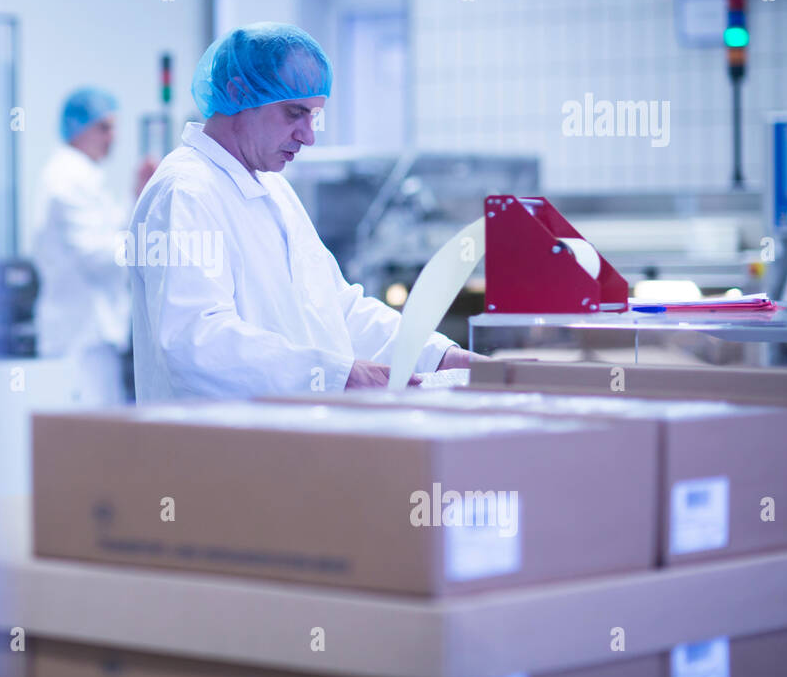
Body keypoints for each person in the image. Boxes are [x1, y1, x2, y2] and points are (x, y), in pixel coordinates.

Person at [128, 23, 475, 402]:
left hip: (288, 444)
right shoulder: (186, 193)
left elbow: (337, 309)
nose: (308, 135)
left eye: (313, 116)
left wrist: (438, 357)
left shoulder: (273, 187)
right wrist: (339, 376)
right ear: (238, 93)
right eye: (294, 113)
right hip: (214, 451)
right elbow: (195, 343)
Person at [32, 87, 157, 403]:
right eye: (104, 127)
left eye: (113, 127)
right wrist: (153, 245)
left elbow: (110, 232)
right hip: (80, 336)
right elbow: (98, 256)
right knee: (87, 438)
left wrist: (138, 196)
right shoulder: (68, 178)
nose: (112, 137)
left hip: (93, 333)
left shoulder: (84, 176)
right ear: (78, 128)